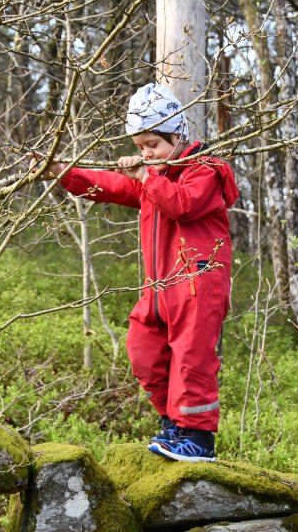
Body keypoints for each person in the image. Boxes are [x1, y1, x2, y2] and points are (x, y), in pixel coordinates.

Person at [29, 83, 238, 462]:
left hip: (197, 281)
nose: (145, 153)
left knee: (192, 358)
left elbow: (184, 205)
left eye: (152, 145)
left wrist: (146, 176)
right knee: (143, 351)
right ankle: (173, 424)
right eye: (140, 147)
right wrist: (62, 172)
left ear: (177, 134)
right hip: (158, 288)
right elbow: (108, 185)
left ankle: (198, 437)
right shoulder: (152, 179)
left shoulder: (206, 169)